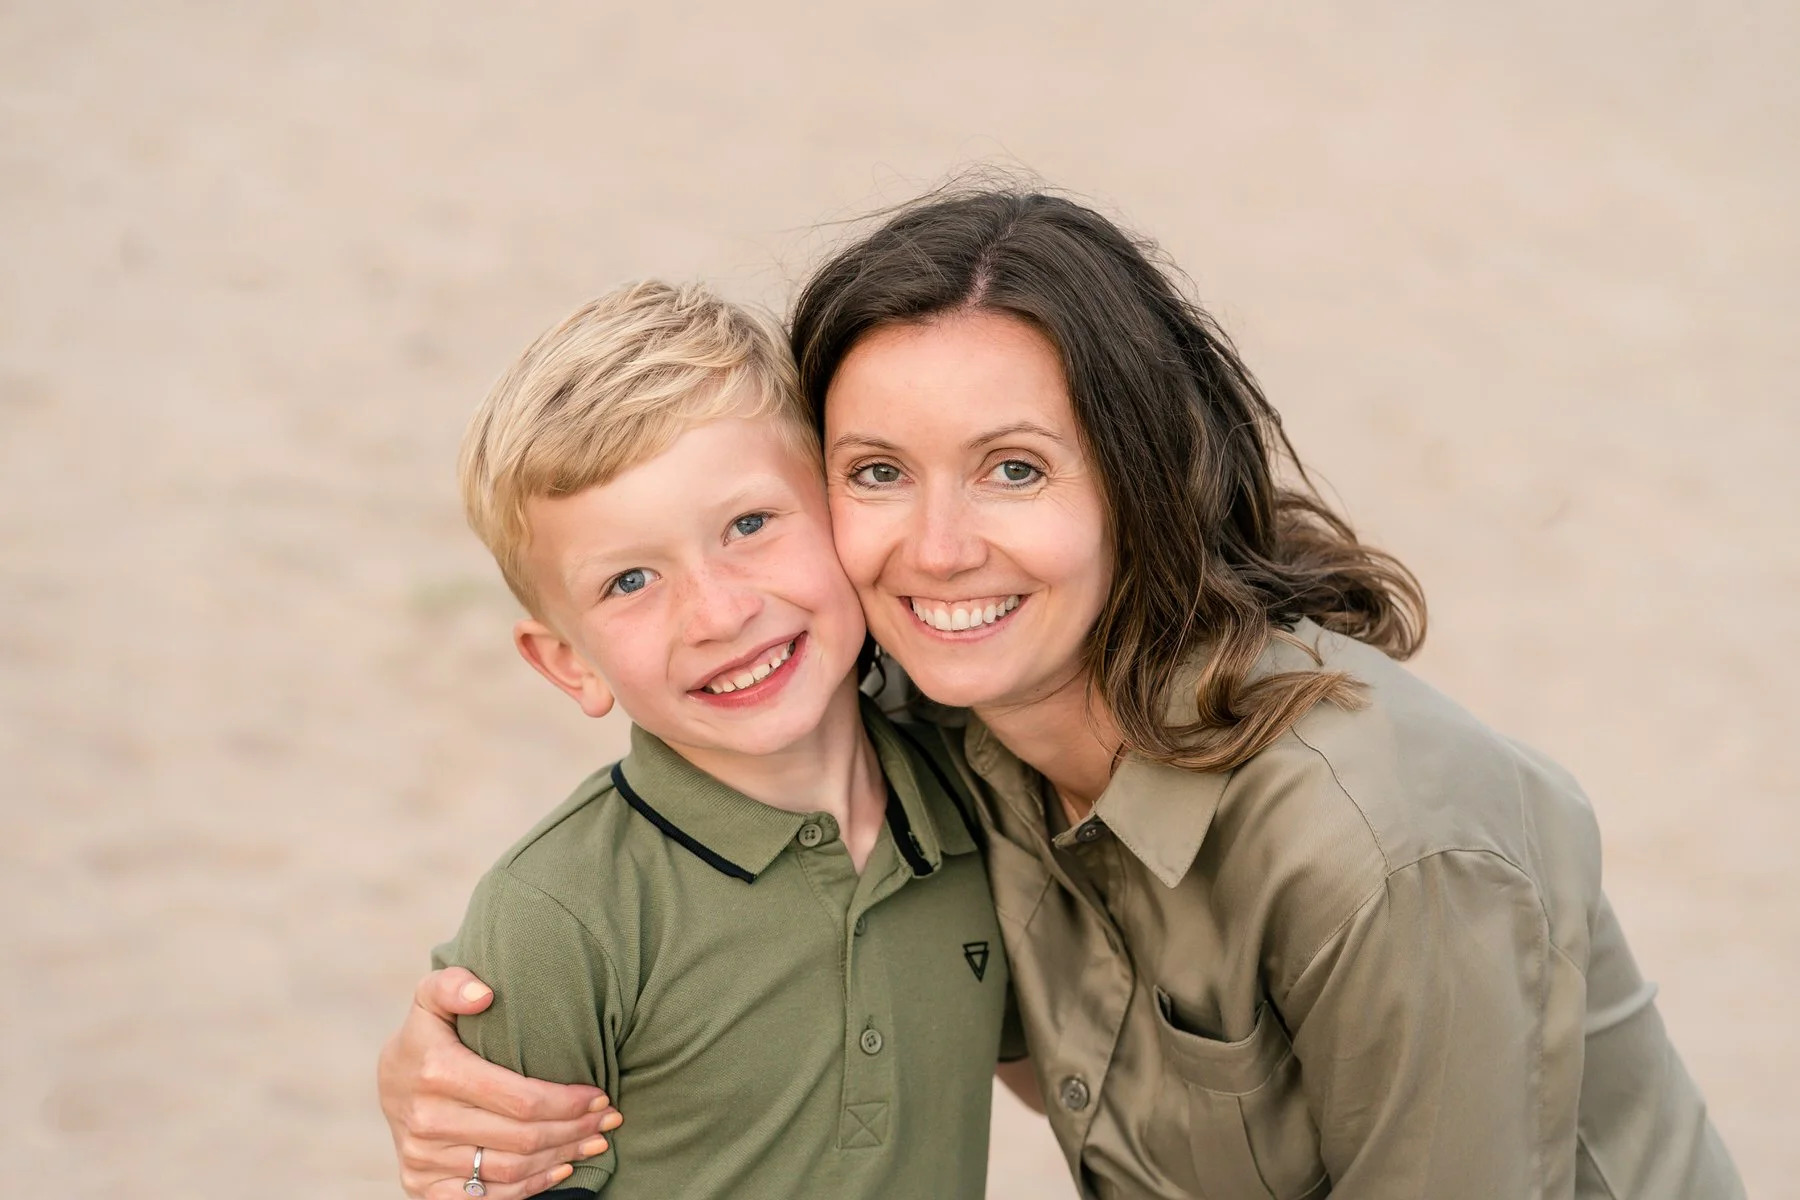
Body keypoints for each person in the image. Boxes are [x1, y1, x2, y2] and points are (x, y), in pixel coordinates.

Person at [380, 191, 1744, 1198]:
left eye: (1016, 469)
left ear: (1138, 479)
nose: (938, 549)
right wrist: (451, 1076)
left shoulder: (1380, 839)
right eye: (877, 472)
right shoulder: (931, 742)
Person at [399, 280, 1018, 1199]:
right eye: (630, 581)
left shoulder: (976, 787)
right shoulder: (554, 920)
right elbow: (474, 1165)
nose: (720, 613)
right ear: (568, 664)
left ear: (842, 511)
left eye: (749, 525)